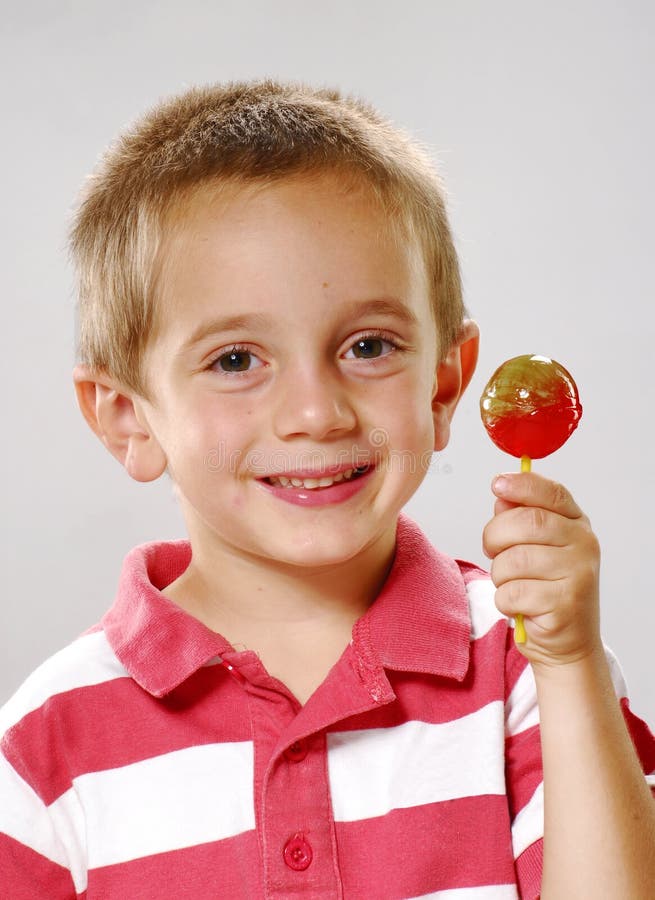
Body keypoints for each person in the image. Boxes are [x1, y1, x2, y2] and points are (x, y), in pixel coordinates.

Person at [1, 80, 653, 900]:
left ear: (443, 385)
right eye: (236, 360)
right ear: (128, 418)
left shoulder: (528, 665)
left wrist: (569, 665)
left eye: (367, 347)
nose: (315, 413)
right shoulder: (46, 744)